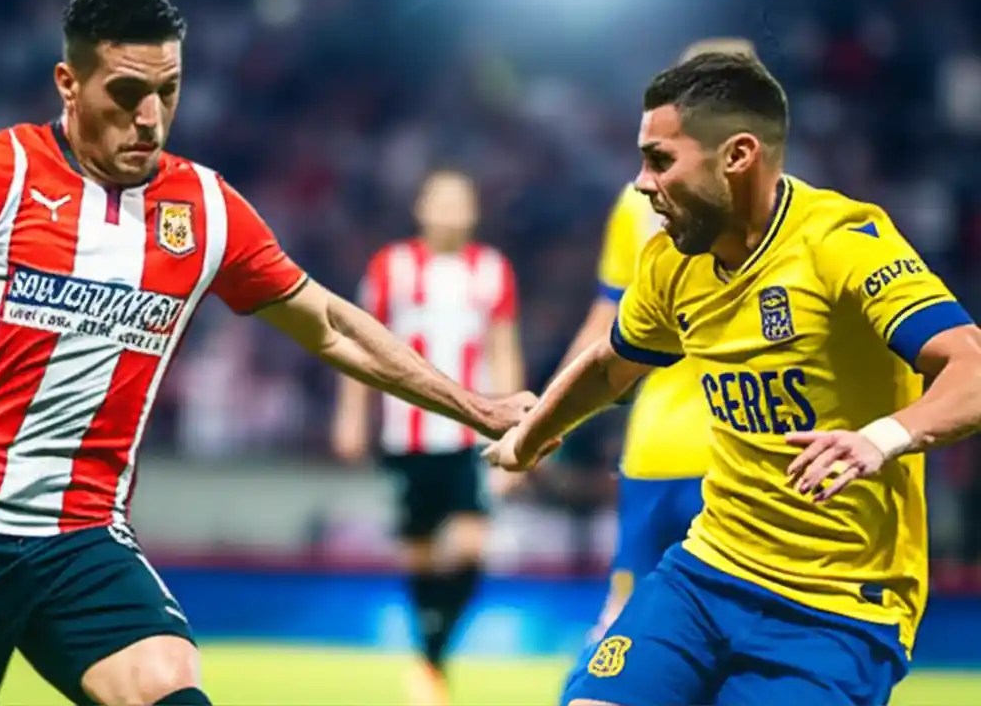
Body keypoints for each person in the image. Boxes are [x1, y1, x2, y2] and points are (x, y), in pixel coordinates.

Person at [0, 0, 535, 706]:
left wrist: (480, 407)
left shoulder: (207, 209)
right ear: (69, 84)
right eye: (126, 94)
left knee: (169, 688)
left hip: (84, 535)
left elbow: (328, 324)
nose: (151, 118)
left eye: (169, 91)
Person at [485, 52, 981, 706]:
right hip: (707, 573)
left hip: (836, 604)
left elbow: (970, 366)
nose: (639, 182)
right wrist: (528, 440)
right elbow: (610, 367)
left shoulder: (842, 240)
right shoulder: (670, 261)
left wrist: (882, 437)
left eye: (660, 159)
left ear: (738, 155)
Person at [546, 38, 758, 699]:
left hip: (739, 456)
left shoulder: (793, 214)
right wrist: (551, 408)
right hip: (667, 449)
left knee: (656, 625)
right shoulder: (639, 203)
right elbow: (605, 324)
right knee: (634, 622)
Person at [332, 168, 523, 704]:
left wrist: (517, 428)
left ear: (474, 211)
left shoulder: (491, 270)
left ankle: (431, 657)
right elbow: (357, 344)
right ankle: (431, 656)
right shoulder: (390, 267)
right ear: (421, 208)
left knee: (470, 546)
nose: (449, 211)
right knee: (416, 552)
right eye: (440, 201)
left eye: (459, 202)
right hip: (406, 433)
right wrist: (351, 415)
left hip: (470, 435)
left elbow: (503, 348)